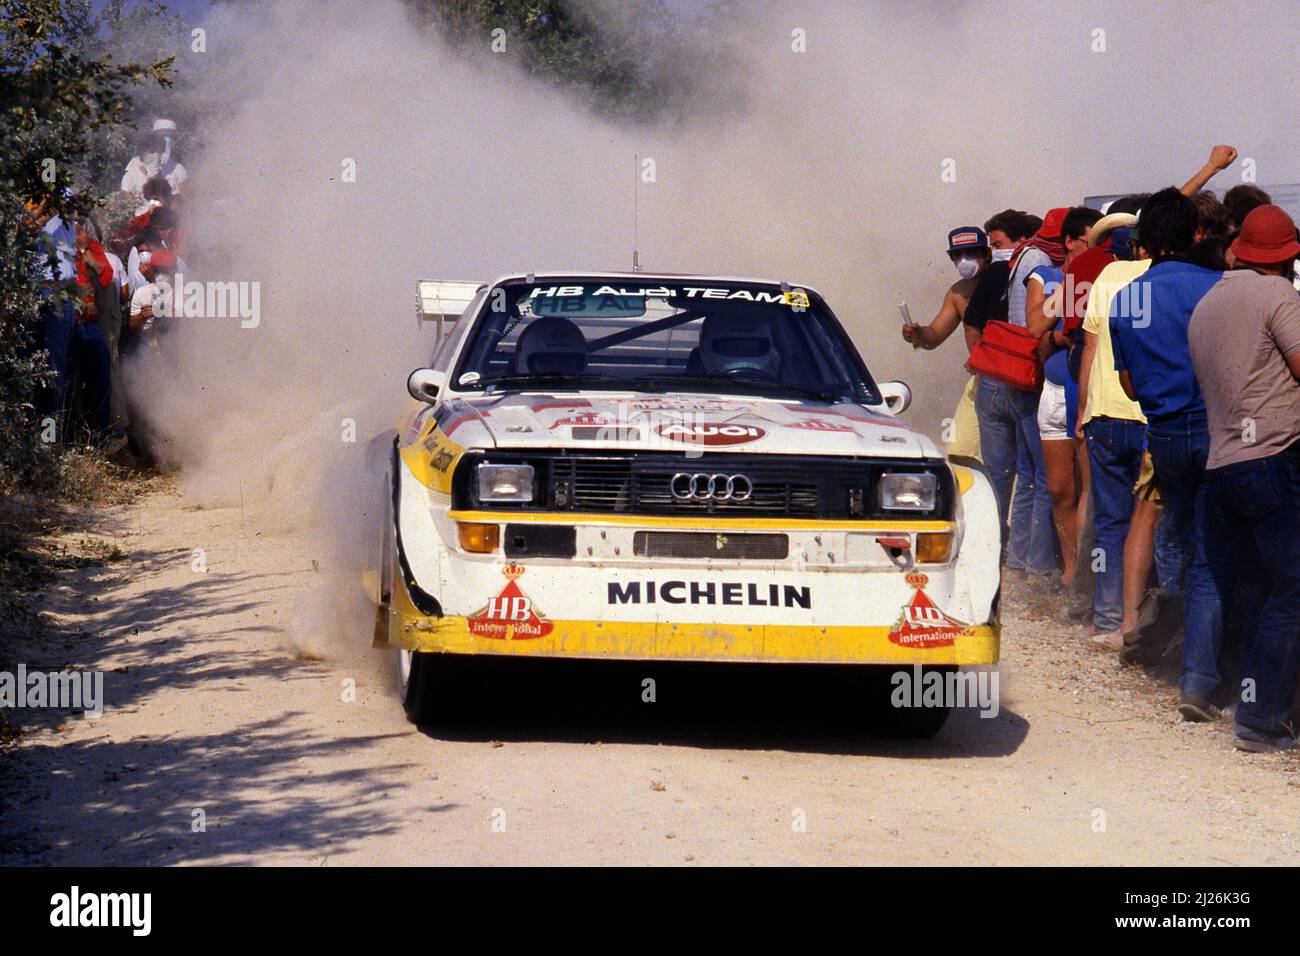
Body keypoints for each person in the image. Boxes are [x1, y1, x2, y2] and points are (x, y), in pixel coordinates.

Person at [1110, 188, 1225, 721]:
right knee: (1213, 552)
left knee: (1180, 536)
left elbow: (1130, 386)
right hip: (1218, 428)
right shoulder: (1215, 287)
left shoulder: (1125, 299)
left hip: (1164, 433)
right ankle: (1199, 679)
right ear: (1197, 233)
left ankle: (1164, 642)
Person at [1189, 204, 1300, 752]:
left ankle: (1247, 702)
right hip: (1272, 459)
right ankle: (1261, 720)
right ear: (1288, 256)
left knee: (1257, 588)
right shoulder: (1278, 295)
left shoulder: (1211, 300)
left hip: (1223, 464)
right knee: (1292, 587)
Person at [1026, 207, 1102, 589]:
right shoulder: (1046, 277)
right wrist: (1069, 288)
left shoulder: (1104, 274)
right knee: (1059, 487)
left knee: (1089, 483)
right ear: (1071, 242)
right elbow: (1036, 328)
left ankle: (1089, 577)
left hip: (1087, 389)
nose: (1099, 248)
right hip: (1055, 389)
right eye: (1092, 239)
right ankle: (1071, 569)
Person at [900, 226, 993, 461]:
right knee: (960, 454)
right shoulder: (957, 293)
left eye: (971, 253)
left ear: (986, 254)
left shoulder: (1003, 283)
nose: (964, 261)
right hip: (980, 382)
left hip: (1010, 381)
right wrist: (918, 333)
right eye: (957, 255)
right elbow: (935, 336)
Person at [120, 129, 187, 200]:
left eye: (158, 151)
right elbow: (126, 195)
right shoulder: (132, 173)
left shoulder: (177, 169)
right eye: (150, 153)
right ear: (142, 153)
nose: (155, 156)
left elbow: (184, 196)